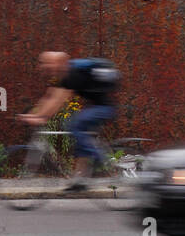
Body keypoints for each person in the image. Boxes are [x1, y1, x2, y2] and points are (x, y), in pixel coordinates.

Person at [19, 51, 119, 191]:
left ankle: (97, 157)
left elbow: (58, 100)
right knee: (80, 136)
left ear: (60, 63)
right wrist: (34, 114)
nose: (46, 67)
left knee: (75, 124)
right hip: (95, 105)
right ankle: (80, 181)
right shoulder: (62, 76)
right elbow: (48, 97)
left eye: (49, 63)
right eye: (44, 64)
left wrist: (41, 118)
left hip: (104, 108)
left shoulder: (73, 74)